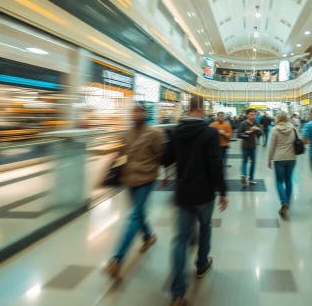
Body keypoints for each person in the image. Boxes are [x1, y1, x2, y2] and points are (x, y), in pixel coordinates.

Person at [163, 96, 228, 306]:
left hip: (183, 194)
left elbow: (166, 159)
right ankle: (201, 264)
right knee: (205, 227)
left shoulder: (176, 132)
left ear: (188, 108)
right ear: (200, 109)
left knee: (180, 240)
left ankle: (177, 293)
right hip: (204, 194)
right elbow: (216, 164)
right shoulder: (210, 133)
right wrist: (223, 191)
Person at [105, 104, 165, 277]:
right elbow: (120, 155)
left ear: (145, 114)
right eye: (134, 112)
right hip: (129, 179)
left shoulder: (155, 134)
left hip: (146, 179)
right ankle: (148, 236)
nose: (136, 114)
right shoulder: (126, 134)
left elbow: (161, 155)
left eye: (140, 111)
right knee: (138, 214)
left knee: (134, 216)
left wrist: (151, 168)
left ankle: (117, 259)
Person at [267, 111, 297, 217]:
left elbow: (271, 146)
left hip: (279, 158)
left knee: (279, 181)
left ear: (278, 118)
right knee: (288, 180)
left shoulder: (275, 129)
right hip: (291, 158)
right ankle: (287, 202)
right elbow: (298, 140)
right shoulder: (293, 128)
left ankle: (284, 202)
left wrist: (269, 160)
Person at [237, 109, 263, 186]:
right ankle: (243, 175)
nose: (253, 116)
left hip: (253, 146)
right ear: (247, 115)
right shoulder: (243, 123)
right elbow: (239, 135)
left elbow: (261, 133)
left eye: (254, 114)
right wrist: (248, 132)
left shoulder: (256, 123)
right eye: (251, 114)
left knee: (253, 162)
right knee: (244, 161)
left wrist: (257, 130)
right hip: (245, 146)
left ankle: (251, 179)